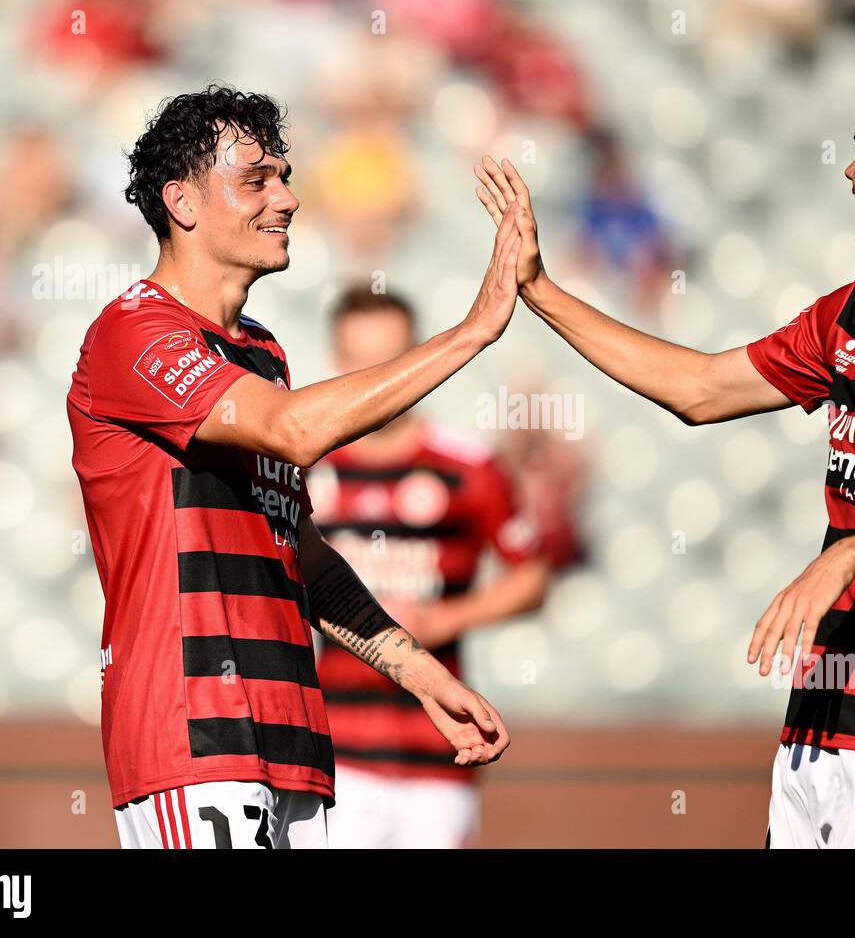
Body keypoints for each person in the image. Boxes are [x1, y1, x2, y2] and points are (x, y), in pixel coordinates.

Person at [474, 48, 855, 849]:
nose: (846, 172)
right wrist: (538, 290)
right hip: (822, 710)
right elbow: (701, 389)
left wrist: (850, 557)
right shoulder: (854, 311)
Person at [67, 84, 521, 849]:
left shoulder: (263, 350)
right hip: (194, 739)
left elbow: (300, 553)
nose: (289, 199)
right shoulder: (132, 333)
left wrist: (420, 674)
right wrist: (474, 331)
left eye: (284, 176)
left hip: (293, 744)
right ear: (182, 203)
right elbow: (295, 431)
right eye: (257, 180)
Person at [311, 286, 551, 848]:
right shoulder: (307, 468)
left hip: (441, 755)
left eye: (391, 360)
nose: (376, 377)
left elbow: (533, 576)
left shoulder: (467, 467)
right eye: (359, 361)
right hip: (333, 755)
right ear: (336, 362)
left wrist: (448, 618)